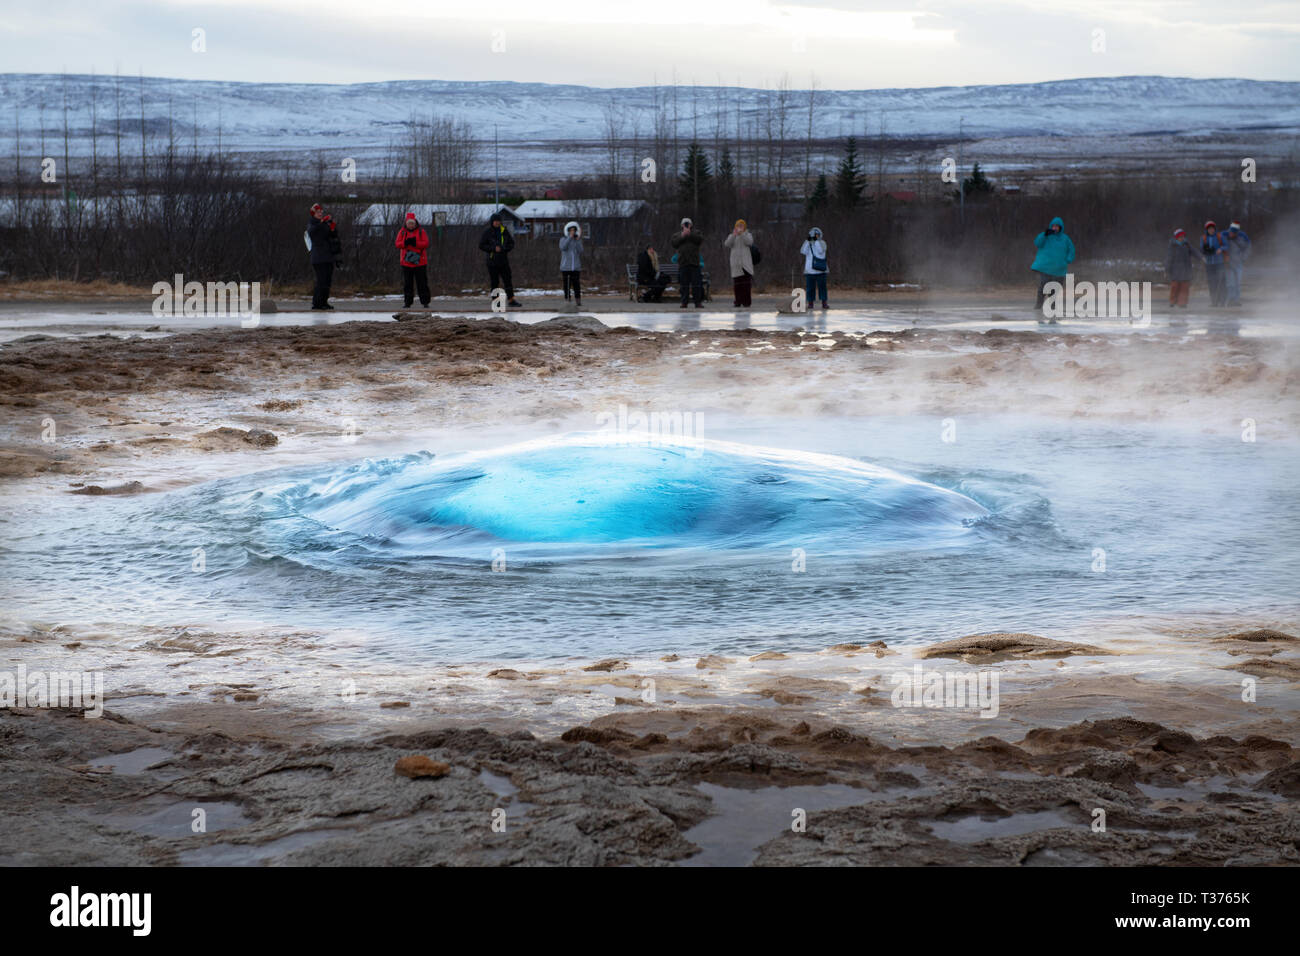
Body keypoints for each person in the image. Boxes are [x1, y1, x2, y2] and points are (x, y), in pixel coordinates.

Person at [1030, 217, 1075, 313]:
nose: (1055, 228)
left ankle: (1053, 307)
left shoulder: (1065, 238)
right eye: (1053, 226)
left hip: (1059, 268)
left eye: (1057, 226)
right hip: (1046, 267)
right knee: (1043, 286)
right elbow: (1037, 243)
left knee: (1055, 288)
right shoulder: (1046, 236)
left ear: (1060, 227)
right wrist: (1044, 235)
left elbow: (1071, 250)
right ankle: (1039, 305)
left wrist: (1068, 259)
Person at [478, 214, 521, 308]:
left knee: (508, 280)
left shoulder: (504, 231)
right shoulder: (488, 232)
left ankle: (511, 300)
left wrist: (504, 249)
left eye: (498, 221)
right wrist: (493, 248)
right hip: (492, 261)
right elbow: (481, 245)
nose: (497, 222)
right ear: (492, 222)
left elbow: (511, 243)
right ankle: (496, 301)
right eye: (495, 221)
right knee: (495, 282)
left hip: (503, 260)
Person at [307, 202, 341, 310]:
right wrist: (321, 222)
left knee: (327, 281)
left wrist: (332, 227)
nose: (320, 213)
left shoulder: (324, 223)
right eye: (318, 212)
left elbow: (333, 235)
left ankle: (324, 301)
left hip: (328, 256)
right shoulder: (312, 223)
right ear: (313, 213)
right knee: (321, 281)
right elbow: (311, 232)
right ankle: (316, 303)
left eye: (321, 212)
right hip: (318, 257)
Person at [394, 211, 431, 309]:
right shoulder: (402, 232)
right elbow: (397, 244)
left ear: (415, 223)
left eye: (412, 223)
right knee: (407, 284)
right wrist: (405, 243)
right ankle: (407, 302)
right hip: (406, 263)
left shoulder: (421, 231)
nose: (411, 225)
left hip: (420, 262)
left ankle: (425, 302)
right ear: (406, 223)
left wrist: (416, 243)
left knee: (422, 283)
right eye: (409, 223)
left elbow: (426, 243)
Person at [670, 217, 705, 308]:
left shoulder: (696, 233)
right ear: (681, 225)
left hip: (694, 263)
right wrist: (683, 235)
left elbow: (700, 240)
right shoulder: (677, 235)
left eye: (688, 223)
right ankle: (684, 302)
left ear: (691, 225)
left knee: (696, 285)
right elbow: (674, 243)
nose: (686, 225)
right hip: (683, 263)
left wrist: (690, 234)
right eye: (684, 224)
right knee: (684, 285)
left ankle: (698, 302)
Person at [723, 219, 755, 308]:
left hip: (746, 264)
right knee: (737, 285)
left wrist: (742, 234)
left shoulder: (748, 235)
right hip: (736, 265)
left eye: (741, 225)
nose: (740, 227)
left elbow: (749, 242)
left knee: (746, 285)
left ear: (744, 227)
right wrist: (734, 235)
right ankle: (737, 301)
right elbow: (727, 244)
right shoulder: (732, 235)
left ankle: (747, 302)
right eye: (738, 225)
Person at [1221, 220, 1251, 307]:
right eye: (1230, 232)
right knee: (1230, 283)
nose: (1231, 234)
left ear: (1237, 232)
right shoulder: (1223, 235)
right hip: (1228, 263)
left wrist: (1243, 258)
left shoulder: (1243, 236)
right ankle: (1230, 299)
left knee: (1237, 283)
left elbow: (1248, 247)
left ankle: (1236, 300)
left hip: (1238, 263)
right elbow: (1219, 245)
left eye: (1234, 232)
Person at [800, 227, 829, 309]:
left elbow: (820, 251)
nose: (815, 236)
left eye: (817, 235)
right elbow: (803, 251)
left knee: (822, 288)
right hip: (810, 271)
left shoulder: (822, 243)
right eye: (813, 235)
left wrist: (816, 241)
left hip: (821, 270)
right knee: (810, 288)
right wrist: (808, 241)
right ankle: (810, 303)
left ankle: (824, 303)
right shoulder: (808, 243)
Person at [1165, 228, 1194, 308]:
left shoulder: (1186, 244)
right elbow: (1169, 258)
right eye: (1180, 236)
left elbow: (1194, 251)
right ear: (1176, 237)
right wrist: (1167, 269)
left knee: (1184, 287)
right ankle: (1172, 302)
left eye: (1183, 236)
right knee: (1175, 286)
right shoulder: (1172, 246)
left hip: (1185, 270)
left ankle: (1182, 303)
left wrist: (1201, 258)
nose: (1182, 238)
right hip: (1175, 270)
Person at [1201, 221, 1226, 307]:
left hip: (1219, 263)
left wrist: (1221, 249)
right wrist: (1205, 251)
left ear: (1214, 229)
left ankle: (1222, 301)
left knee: (1221, 282)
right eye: (1209, 229)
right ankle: (1214, 302)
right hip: (1209, 263)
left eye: (1212, 228)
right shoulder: (1204, 238)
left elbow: (1226, 246)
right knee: (1212, 283)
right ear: (1206, 229)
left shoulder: (1219, 236)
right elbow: (1202, 249)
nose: (1211, 230)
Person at [559, 220, 583, 308]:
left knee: (576, 284)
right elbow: (563, 247)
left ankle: (578, 300)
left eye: (574, 230)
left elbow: (580, 250)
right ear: (568, 231)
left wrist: (577, 240)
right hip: (566, 267)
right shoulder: (563, 239)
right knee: (567, 284)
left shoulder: (577, 241)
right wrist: (570, 238)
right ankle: (567, 299)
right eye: (571, 230)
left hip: (576, 267)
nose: (572, 232)